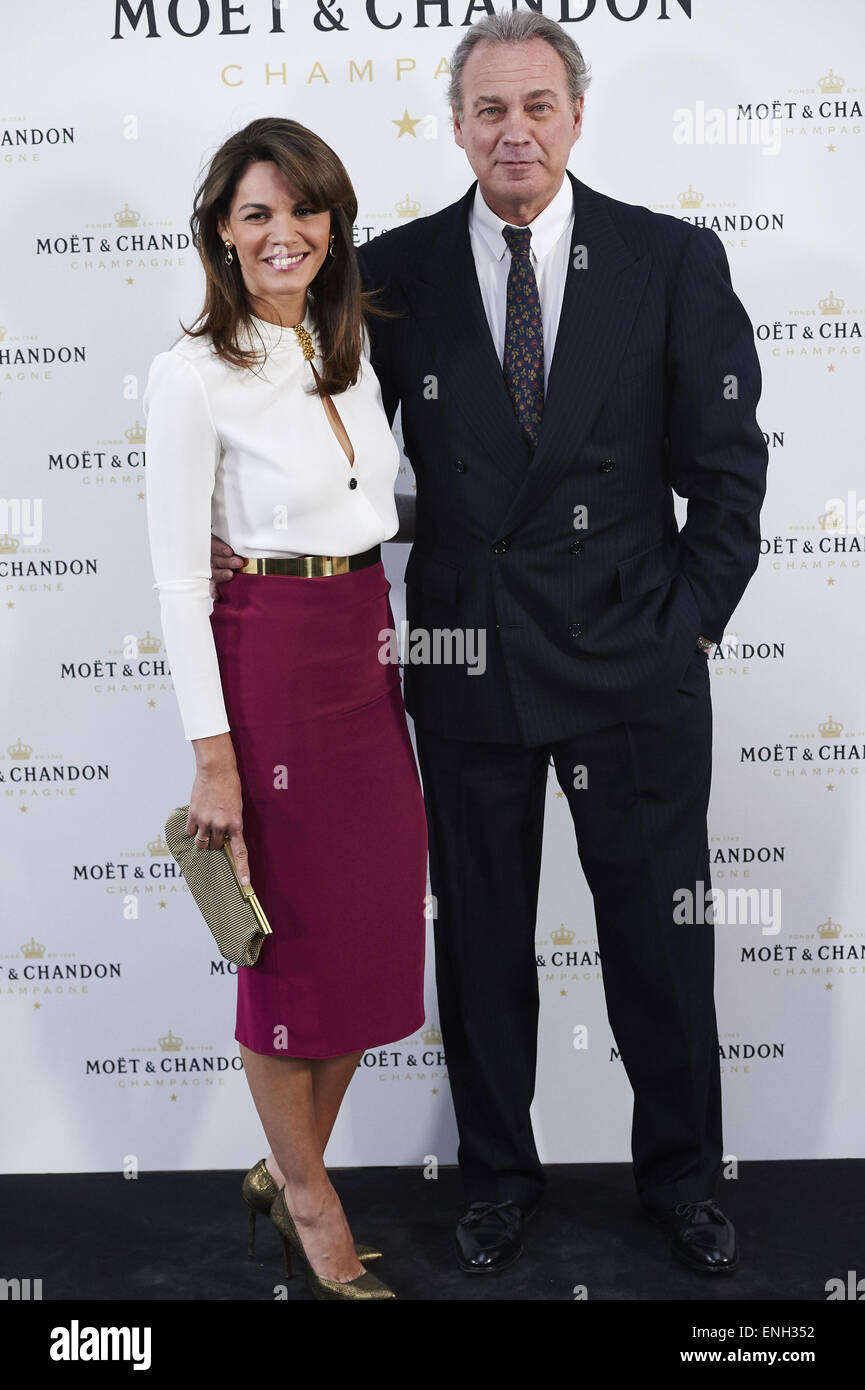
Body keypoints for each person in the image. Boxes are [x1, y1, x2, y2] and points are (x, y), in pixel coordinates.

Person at [212, 12, 768, 1280]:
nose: (512, 130)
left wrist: (685, 627)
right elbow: (316, 434)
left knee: (659, 942)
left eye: (535, 107)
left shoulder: (670, 259)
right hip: (468, 659)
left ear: (575, 116)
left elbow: (728, 474)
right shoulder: (392, 271)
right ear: (455, 124)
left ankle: (681, 1179)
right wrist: (236, 531)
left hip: (636, 660)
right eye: (488, 110)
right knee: (480, 944)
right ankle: (499, 1179)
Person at [144, 117, 427, 1300]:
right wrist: (213, 759)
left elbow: (369, 509)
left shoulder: (350, 346)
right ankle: (308, 1195)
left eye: (301, 211)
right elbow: (173, 572)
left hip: (364, 655)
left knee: (367, 933)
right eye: (255, 213)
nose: (281, 233)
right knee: (286, 944)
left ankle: (284, 1164)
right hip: (265, 664)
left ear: (331, 224)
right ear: (220, 229)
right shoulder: (189, 374)